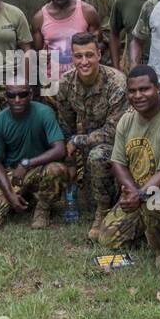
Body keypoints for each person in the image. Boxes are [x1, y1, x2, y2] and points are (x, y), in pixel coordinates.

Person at [92, 65, 160, 265]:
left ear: (158, 89)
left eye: (144, 89)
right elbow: (118, 162)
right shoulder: (127, 120)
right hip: (138, 190)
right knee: (107, 239)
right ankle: (145, 231)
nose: (137, 95)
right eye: (132, 91)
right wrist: (132, 193)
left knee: (153, 198)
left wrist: (139, 196)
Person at [54, 32, 128, 234]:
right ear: (72, 57)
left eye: (89, 55)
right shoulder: (66, 83)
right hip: (85, 146)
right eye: (78, 56)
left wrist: (78, 140)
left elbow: (114, 132)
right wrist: (69, 162)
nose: (84, 61)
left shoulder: (116, 83)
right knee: (85, 200)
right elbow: (65, 125)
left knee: (98, 155)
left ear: (99, 54)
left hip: (116, 148)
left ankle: (102, 212)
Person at [0, 78, 68, 229]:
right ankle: (22, 199)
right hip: (12, 173)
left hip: (39, 169)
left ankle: (43, 209)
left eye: (23, 94)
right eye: (12, 95)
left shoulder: (44, 113)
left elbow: (60, 149)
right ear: (6, 97)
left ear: (31, 95)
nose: (17, 100)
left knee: (57, 169)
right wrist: (9, 195)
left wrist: (26, 163)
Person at [33, 0, 98, 84]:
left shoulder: (87, 12)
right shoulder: (39, 18)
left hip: (83, 80)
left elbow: (99, 45)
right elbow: (37, 52)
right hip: (52, 82)